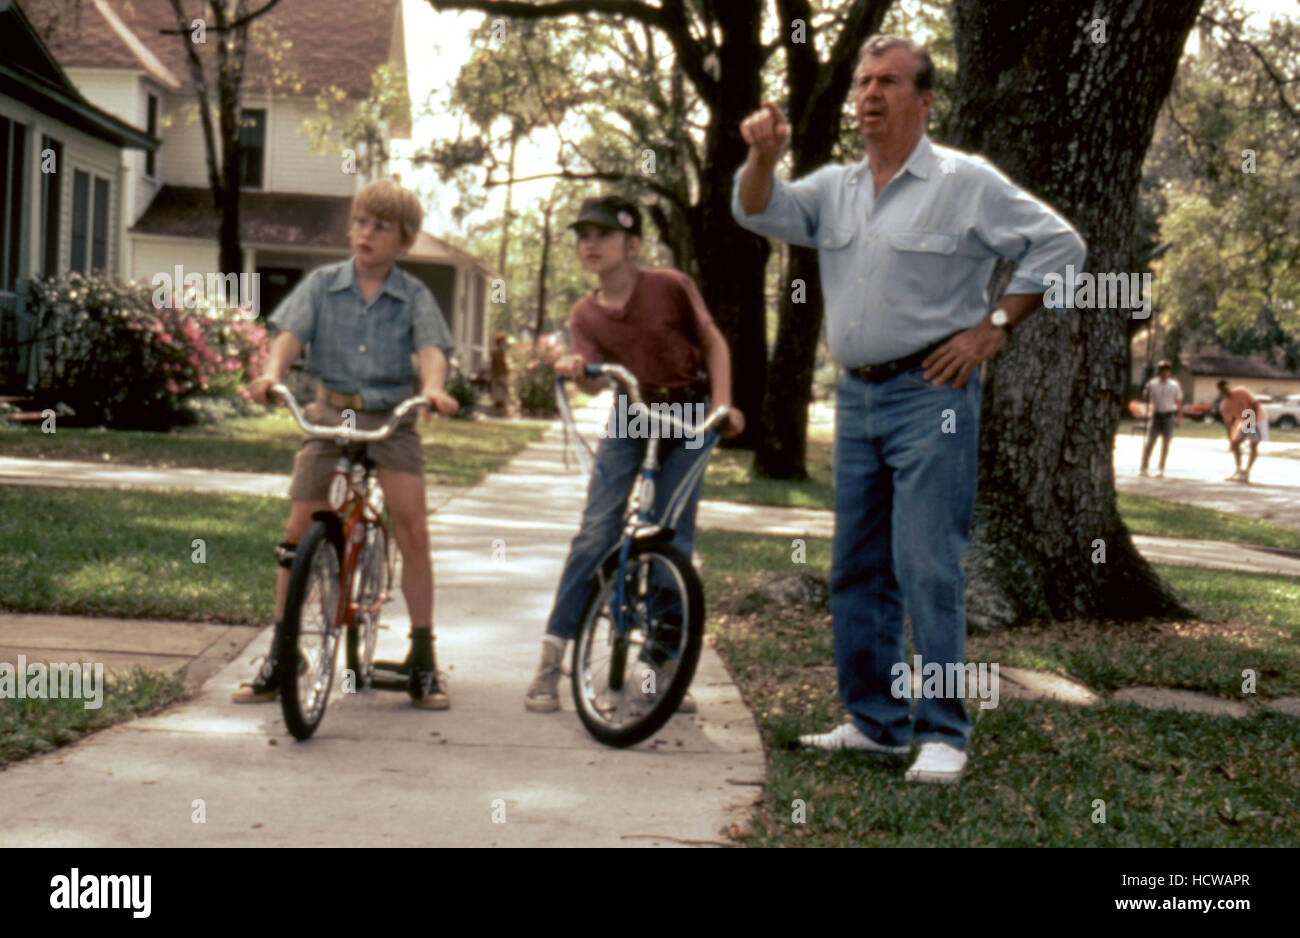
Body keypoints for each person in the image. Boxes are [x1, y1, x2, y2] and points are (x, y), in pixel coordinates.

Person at [732, 34, 1086, 783]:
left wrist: (994, 328)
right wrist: (764, 153)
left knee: (927, 563)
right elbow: (761, 212)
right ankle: (876, 723)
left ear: (925, 100)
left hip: (934, 396)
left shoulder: (966, 182)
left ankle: (943, 733)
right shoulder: (835, 188)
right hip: (855, 397)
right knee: (856, 570)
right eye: (862, 82)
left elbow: (1061, 247)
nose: (868, 95)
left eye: (888, 82)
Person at [234, 179, 460, 709]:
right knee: (297, 530)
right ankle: (283, 651)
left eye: (382, 226)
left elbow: (432, 350)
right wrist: (271, 374)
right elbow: (288, 337)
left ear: (404, 241)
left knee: (413, 526)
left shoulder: (414, 295)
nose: (367, 233)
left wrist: (432, 388)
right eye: (361, 221)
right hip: (330, 413)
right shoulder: (321, 284)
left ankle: (423, 656)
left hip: (390, 419)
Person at [523, 194, 745, 714]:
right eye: (583, 236)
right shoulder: (585, 314)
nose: (591, 244)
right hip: (631, 415)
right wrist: (577, 369)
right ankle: (552, 660)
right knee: (597, 531)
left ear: (633, 244)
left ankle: (662, 667)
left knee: (672, 535)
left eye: (603, 234)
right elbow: (593, 383)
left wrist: (723, 406)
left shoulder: (670, 286)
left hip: (689, 414)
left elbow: (714, 344)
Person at [1216, 379, 1268, 482]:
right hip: (1245, 421)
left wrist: (1252, 421)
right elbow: (1228, 424)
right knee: (1235, 444)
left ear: (1229, 386)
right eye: (1223, 390)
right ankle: (1238, 470)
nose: (1227, 391)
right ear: (1221, 392)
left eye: (1227, 388)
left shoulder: (1241, 391)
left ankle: (1247, 471)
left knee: (1253, 444)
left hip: (1258, 418)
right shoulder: (1225, 405)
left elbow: (1255, 404)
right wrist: (1230, 439)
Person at [1139, 360, 1183, 477]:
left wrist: (1179, 418)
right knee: (1150, 442)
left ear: (1169, 372)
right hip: (1156, 415)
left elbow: (1179, 402)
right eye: (1162, 370)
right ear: (1158, 372)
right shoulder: (1152, 384)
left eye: (1166, 371)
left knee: (1166, 444)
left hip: (1169, 416)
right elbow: (1145, 397)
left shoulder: (1174, 385)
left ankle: (1161, 469)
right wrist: (1146, 390)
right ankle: (1144, 467)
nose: (1164, 373)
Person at [489, 331, 511, 416]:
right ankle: (501, 412)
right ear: (500, 342)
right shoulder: (497, 352)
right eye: (503, 341)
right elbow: (497, 365)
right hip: (498, 375)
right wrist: (499, 376)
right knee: (500, 395)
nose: (504, 343)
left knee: (502, 394)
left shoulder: (501, 352)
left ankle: (502, 412)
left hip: (501, 375)